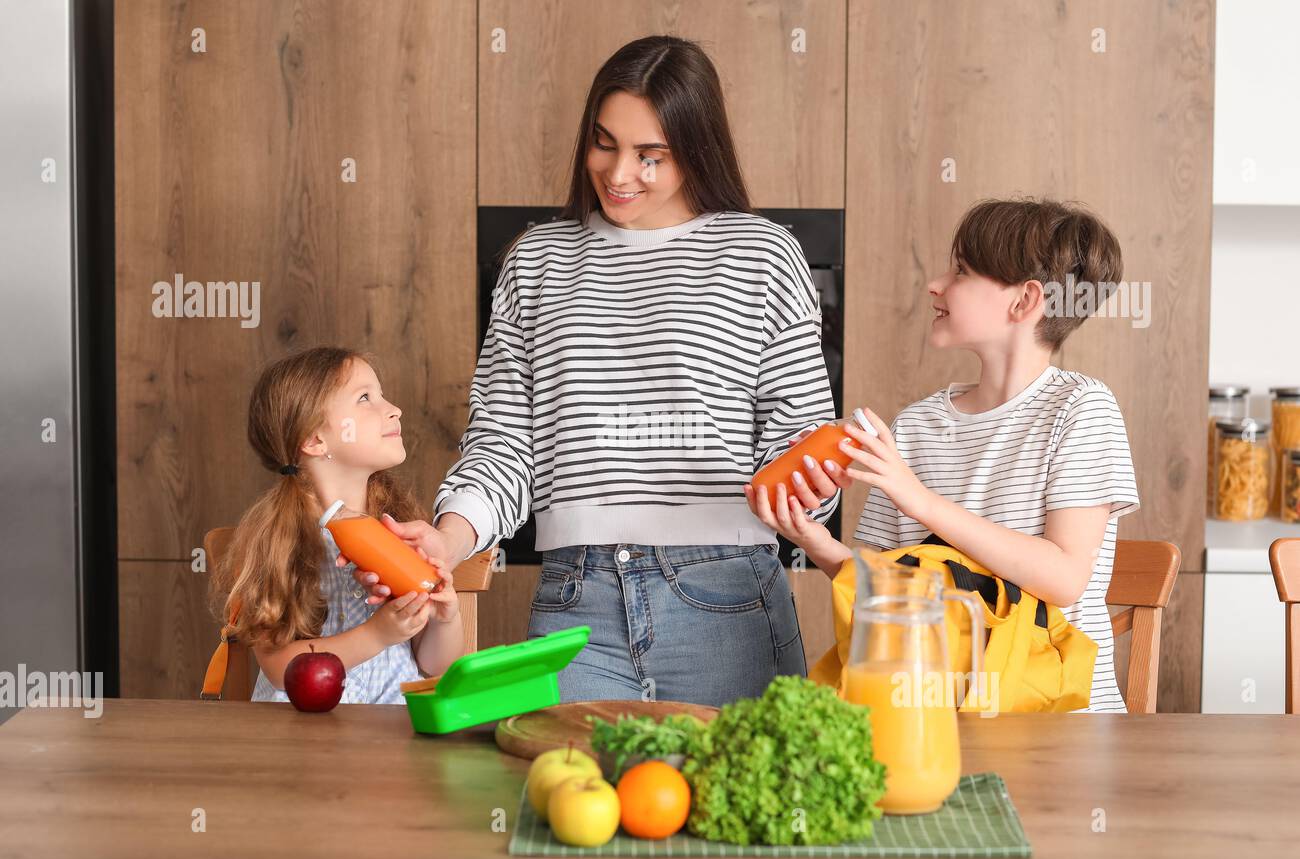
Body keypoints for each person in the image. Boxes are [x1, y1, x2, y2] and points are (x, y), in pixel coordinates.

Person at [348, 36, 841, 707]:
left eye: (651, 156)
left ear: (695, 150)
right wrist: (447, 538)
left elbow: (801, 443)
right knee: (558, 804)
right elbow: (503, 445)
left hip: (729, 596)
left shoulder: (761, 254)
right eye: (604, 143)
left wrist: (807, 485)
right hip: (576, 599)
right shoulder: (538, 261)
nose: (619, 173)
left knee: (729, 806)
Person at [750, 198, 1140, 713]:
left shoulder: (1081, 409)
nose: (936, 284)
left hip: (1059, 723)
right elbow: (884, 587)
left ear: (1024, 301)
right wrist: (812, 539)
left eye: (961, 270)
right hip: (933, 716)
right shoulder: (917, 424)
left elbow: (1063, 578)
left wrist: (919, 500)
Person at [212, 347, 464, 704]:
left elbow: (440, 664)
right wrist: (376, 635)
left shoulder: (401, 527)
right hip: (298, 742)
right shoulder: (276, 537)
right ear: (314, 439)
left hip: (391, 738)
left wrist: (443, 618)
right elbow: (277, 667)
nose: (394, 409)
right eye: (365, 398)